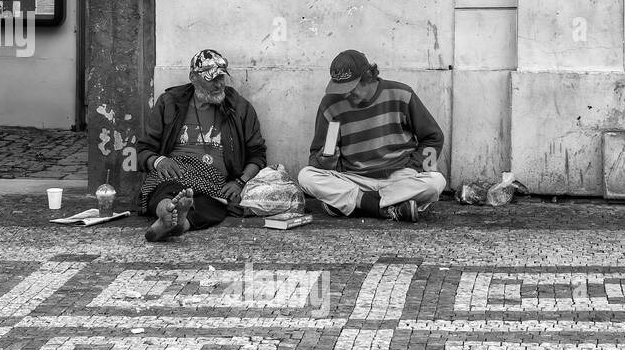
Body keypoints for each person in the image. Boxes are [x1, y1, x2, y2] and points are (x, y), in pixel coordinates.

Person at [297, 49, 445, 222]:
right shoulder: (330, 104)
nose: (344, 95)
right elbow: (315, 158)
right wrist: (326, 162)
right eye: (340, 89)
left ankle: (354, 203)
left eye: (350, 89)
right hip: (354, 179)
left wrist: (416, 167)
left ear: (368, 77)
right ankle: (389, 206)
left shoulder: (401, 94)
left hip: (399, 176)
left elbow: (433, 137)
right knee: (306, 176)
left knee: (436, 182)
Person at [135, 49, 267, 241]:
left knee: (214, 205)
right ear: (193, 77)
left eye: (221, 77)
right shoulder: (170, 103)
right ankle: (168, 211)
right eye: (211, 79)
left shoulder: (239, 107)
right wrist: (159, 161)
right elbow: (144, 149)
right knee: (166, 187)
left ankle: (180, 222)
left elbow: (257, 154)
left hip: (213, 180)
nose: (219, 84)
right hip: (176, 172)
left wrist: (240, 182)